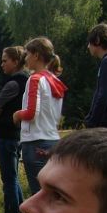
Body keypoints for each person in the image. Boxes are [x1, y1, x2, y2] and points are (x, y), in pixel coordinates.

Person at [12, 37, 67, 195]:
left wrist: (17, 115)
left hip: (35, 141)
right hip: (53, 140)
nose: (26, 58)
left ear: (36, 55)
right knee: (52, 194)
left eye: (28, 54)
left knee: (39, 195)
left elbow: (31, 113)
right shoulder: (55, 80)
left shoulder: (35, 79)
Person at [0, 46, 28, 213]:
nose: (1, 64)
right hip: (18, 133)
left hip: (7, 134)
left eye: (5, 60)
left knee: (9, 179)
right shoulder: (27, 81)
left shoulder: (13, 83)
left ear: (16, 62)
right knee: (13, 177)